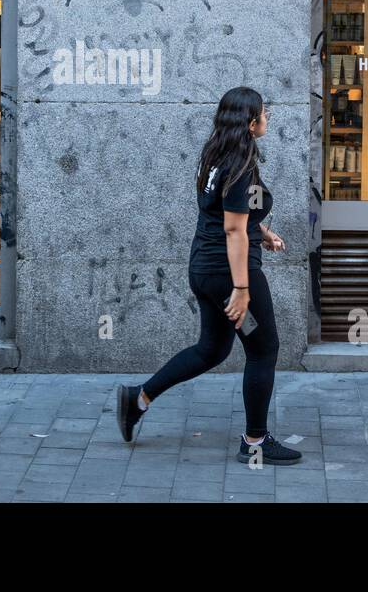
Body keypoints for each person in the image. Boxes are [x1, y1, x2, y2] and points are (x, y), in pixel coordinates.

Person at [116, 86, 301, 465]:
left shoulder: (216, 155)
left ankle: (138, 399)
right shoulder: (241, 165)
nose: (268, 118)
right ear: (251, 123)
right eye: (264, 113)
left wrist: (262, 233)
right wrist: (242, 290)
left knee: (212, 349)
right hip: (227, 276)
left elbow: (228, 214)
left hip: (204, 267)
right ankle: (254, 441)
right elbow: (232, 229)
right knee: (263, 349)